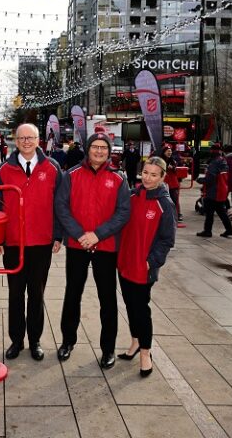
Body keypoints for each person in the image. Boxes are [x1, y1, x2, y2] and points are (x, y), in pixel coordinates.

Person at [55, 132, 131, 369]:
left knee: (107, 299)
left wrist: (98, 234)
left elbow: (123, 212)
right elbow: (61, 206)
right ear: (88, 149)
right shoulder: (72, 175)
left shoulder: (118, 179)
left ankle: (108, 348)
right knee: (72, 294)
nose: (99, 151)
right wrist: (79, 234)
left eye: (103, 148)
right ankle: (68, 341)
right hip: (78, 245)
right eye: (95, 147)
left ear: (109, 152)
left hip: (106, 246)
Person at [0, 123, 63, 361]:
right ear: (16, 140)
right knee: (15, 293)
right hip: (13, 242)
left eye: (30, 137)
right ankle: (16, 341)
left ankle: (35, 340)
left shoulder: (52, 167)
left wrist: (58, 235)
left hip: (42, 243)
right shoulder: (3, 169)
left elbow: (61, 205)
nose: (26, 142)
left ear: (38, 139)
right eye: (21, 138)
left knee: (36, 293)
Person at [117, 157, 176, 377]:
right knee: (130, 306)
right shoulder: (131, 195)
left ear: (162, 177)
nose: (148, 178)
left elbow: (167, 240)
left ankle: (145, 353)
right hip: (125, 262)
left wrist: (151, 261)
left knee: (142, 310)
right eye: (145, 173)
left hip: (144, 267)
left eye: (154, 175)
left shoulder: (165, 204)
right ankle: (134, 343)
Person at [196, 143, 232, 238]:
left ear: (212, 151)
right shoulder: (223, 161)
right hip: (221, 190)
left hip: (213, 191)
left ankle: (207, 231)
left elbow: (211, 178)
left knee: (209, 212)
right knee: (221, 211)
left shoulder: (214, 163)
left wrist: (201, 180)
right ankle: (229, 229)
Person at [161, 145, 182, 221]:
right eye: (168, 151)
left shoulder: (173, 161)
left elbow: (176, 171)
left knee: (174, 199)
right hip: (163, 183)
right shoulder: (161, 161)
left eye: (170, 151)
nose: (169, 152)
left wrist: (172, 168)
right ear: (164, 152)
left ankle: (178, 214)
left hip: (173, 184)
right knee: (164, 199)